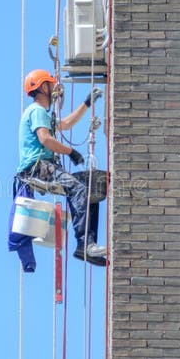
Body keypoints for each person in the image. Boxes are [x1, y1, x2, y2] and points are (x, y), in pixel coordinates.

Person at [16, 69, 106, 267]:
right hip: (39, 167)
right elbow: (45, 139)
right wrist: (70, 152)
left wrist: (87, 103)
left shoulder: (43, 114)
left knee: (92, 186)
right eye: (50, 84)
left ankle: (88, 245)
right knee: (78, 189)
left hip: (44, 167)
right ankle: (84, 243)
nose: (55, 89)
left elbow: (65, 124)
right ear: (42, 87)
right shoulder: (37, 111)